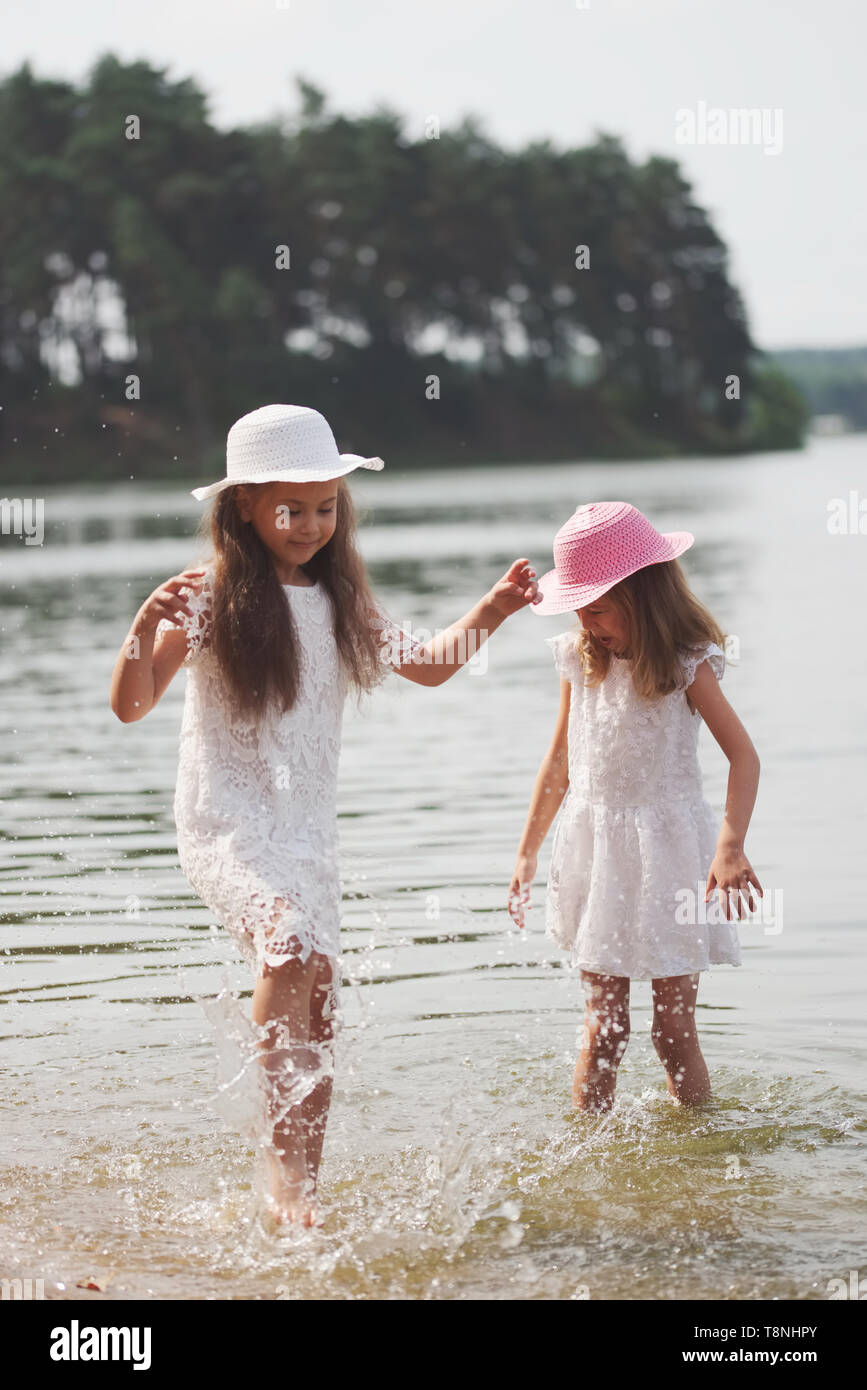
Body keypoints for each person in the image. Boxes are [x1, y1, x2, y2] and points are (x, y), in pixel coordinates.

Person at [109, 403, 538, 1227]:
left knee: (319, 1006)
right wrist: (141, 626)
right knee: (287, 945)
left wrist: (494, 608)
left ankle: (302, 1187)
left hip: (305, 833)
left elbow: (430, 666)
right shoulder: (208, 599)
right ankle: (282, 1173)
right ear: (244, 507)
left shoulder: (341, 601)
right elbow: (130, 706)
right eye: (291, 509)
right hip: (226, 823)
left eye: (325, 507)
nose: (310, 525)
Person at [507, 501, 761, 1112]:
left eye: (597, 608)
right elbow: (560, 764)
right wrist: (526, 852)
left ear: (642, 595)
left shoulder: (688, 663)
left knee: (672, 1030)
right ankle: (588, 1148)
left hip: (672, 856)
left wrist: (730, 847)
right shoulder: (578, 658)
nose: (587, 622)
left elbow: (744, 758)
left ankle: (697, 1146)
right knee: (606, 1028)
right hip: (598, 854)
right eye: (578, 609)